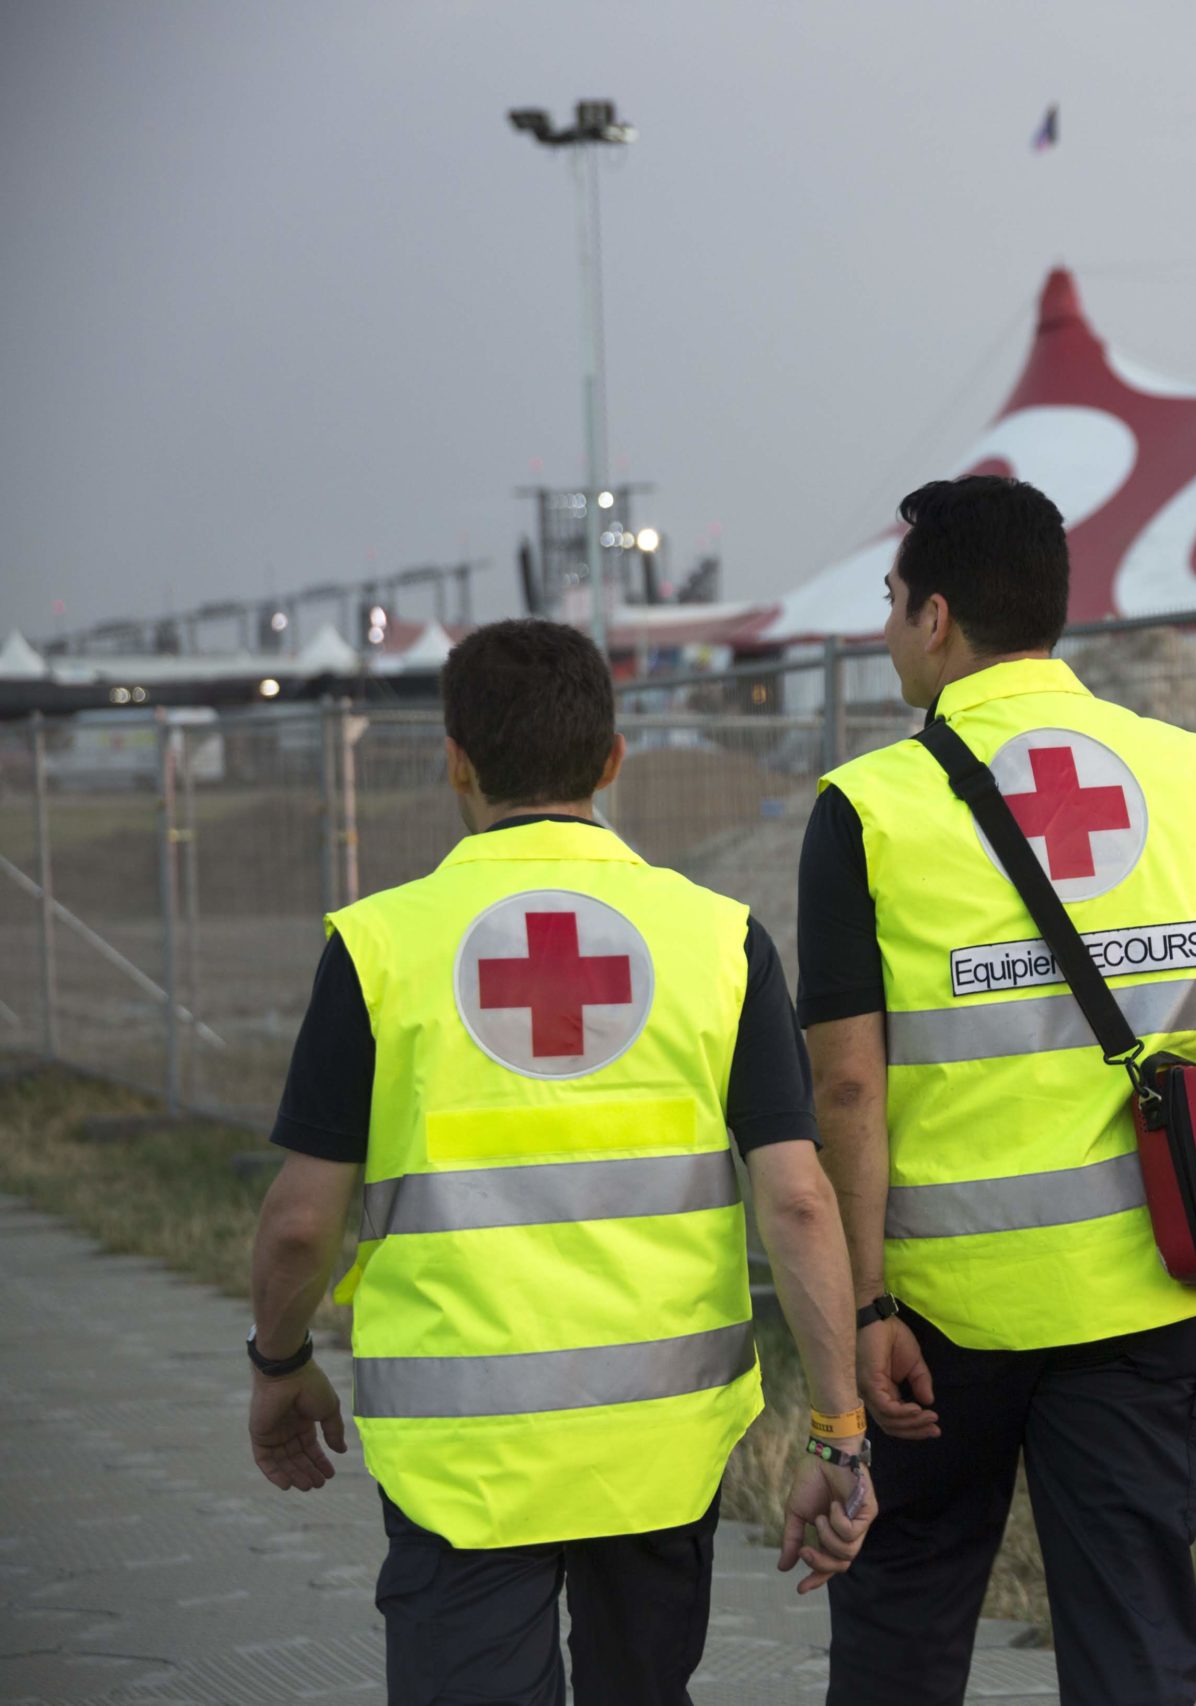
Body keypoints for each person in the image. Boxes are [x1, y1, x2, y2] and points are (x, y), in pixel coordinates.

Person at [246, 619, 875, 1706]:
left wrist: (277, 1361)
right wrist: (839, 1429)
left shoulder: (380, 946)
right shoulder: (718, 938)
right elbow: (800, 1203)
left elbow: (303, 1221)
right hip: (659, 1443)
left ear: (456, 757)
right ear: (612, 758)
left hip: (462, 1451)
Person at [797, 474, 1196, 1706]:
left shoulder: (871, 808)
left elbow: (845, 1087)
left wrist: (864, 1308)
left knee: (903, 1616)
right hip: (1155, 1287)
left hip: (943, 1315)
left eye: (892, 600)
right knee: (1134, 1636)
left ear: (936, 615)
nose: (890, 624)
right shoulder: (1192, 774)